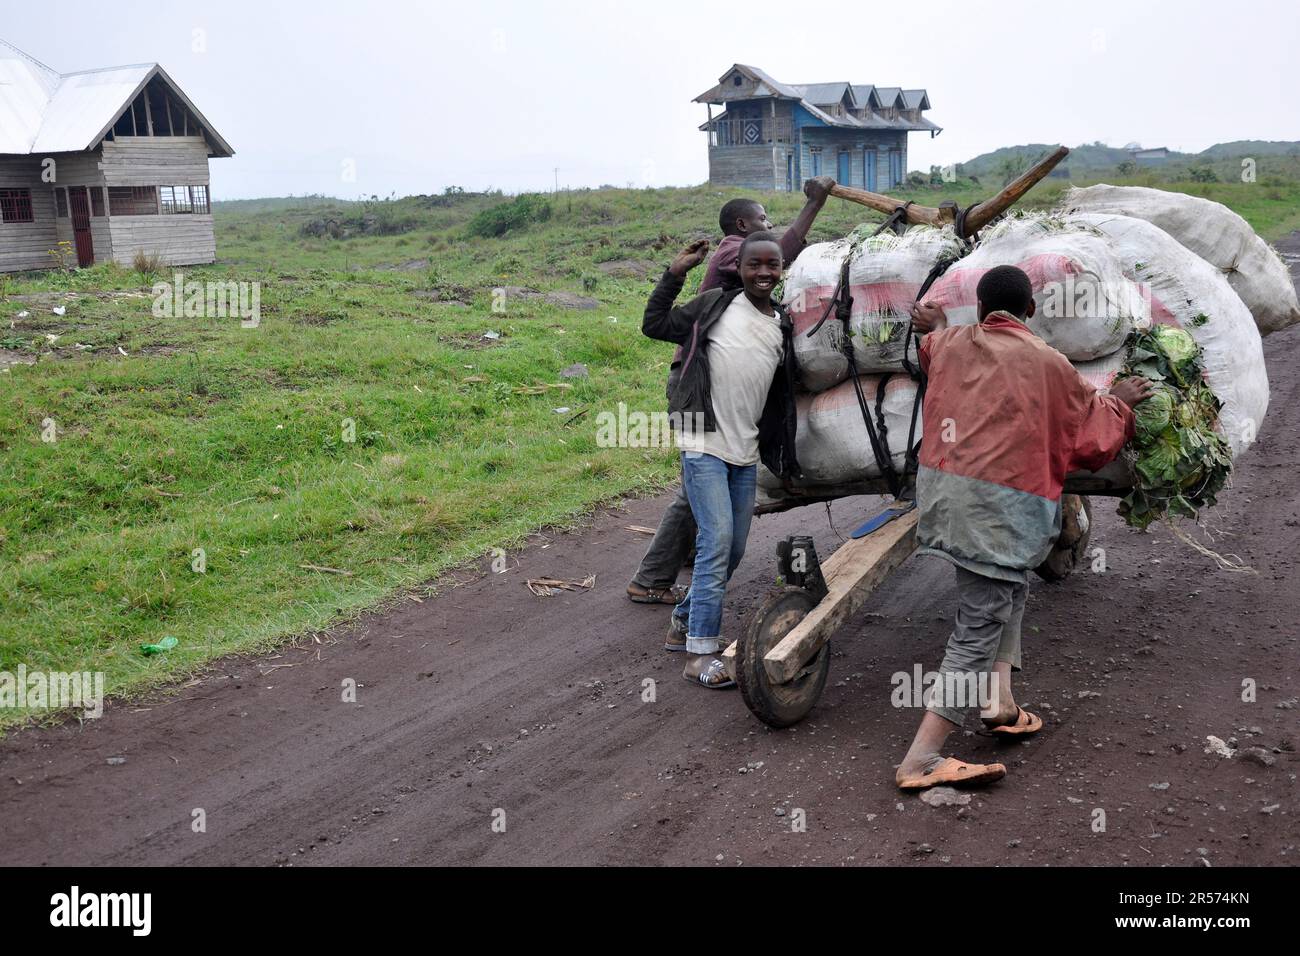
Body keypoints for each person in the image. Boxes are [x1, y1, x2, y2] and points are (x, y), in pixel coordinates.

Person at [895, 265, 1152, 790]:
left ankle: (1000, 703)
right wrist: (1120, 403)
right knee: (979, 626)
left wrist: (936, 322)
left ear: (982, 308)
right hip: (1002, 508)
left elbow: (929, 347)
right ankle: (920, 760)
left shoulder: (949, 343)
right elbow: (1091, 444)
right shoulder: (1051, 364)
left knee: (1009, 591)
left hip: (945, 498)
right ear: (1030, 310)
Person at [626, 176, 835, 607]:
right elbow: (780, 251)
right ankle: (652, 579)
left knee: (701, 487)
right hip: (695, 383)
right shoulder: (728, 251)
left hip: (704, 378)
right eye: (761, 221)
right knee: (695, 486)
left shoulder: (748, 280)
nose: (768, 227)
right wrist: (813, 205)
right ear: (742, 227)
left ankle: (678, 566)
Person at [641, 231, 801, 687]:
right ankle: (699, 655)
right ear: (741, 268)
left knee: (731, 550)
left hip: (745, 453)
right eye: (755, 265)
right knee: (714, 547)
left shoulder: (782, 325)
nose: (764, 273)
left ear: (781, 268)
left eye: (773, 265)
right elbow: (654, 324)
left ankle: (683, 619)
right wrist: (675, 273)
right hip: (703, 443)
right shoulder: (714, 305)